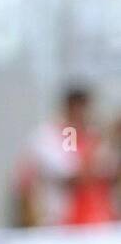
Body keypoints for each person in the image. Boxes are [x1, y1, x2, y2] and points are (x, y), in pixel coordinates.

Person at [14, 85, 118, 227]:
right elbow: (73, 176)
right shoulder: (48, 136)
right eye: (78, 109)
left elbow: (111, 173)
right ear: (69, 108)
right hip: (61, 223)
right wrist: (103, 139)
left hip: (100, 220)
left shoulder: (93, 135)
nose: (83, 115)